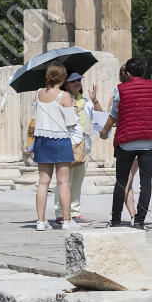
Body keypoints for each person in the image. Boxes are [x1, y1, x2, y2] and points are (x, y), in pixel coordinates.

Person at [98, 56, 152, 229]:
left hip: (126, 141)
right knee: (146, 183)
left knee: (121, 181)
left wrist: (104, 132)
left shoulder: (120, 89)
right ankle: (140, 220)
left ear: (127, 73)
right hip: (148, 140)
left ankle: (116, 220)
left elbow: (114, 115)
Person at [30, 63, 79, 231]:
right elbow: (71, 123)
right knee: (63, 182)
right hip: (60, 140)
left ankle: (41, 221)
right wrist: (74, 108)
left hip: (42, 140)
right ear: (63, 77)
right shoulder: (64, 96)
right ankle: (66, 220)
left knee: (43, 182)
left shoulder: (37, 93)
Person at [50, 73, 97, 225]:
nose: (77, 83)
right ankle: (59, 212)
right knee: (64, 181)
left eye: (79, 80)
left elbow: (98, 116)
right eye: (73, 81)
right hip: (67, 143)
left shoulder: (86, 101)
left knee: (78, 180)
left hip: (84, 144)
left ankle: (74, 212)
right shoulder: (62, 99)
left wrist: (95, 100)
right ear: (66, 84)